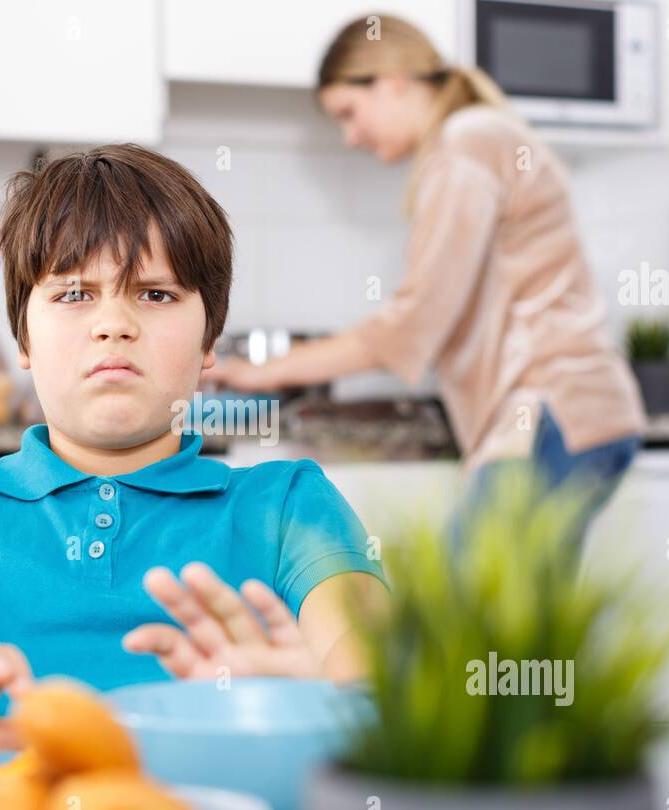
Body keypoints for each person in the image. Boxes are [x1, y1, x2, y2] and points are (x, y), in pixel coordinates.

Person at [0, 144, 389, 749]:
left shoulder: (290, 506)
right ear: (23, 336)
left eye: (155, 294)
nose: (114, 323)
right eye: (74, 294)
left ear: (210, 338)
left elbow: (372, 667)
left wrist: (316, 703)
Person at [210, 15, 645, 542]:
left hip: (548, 414)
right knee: (507, 621)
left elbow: (414, 322)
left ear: (393, 80)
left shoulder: (466, 144)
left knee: (471, 620)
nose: (350, 137)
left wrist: (267, 372)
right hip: (576, 412)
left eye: (349, 113)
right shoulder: (482, 138)